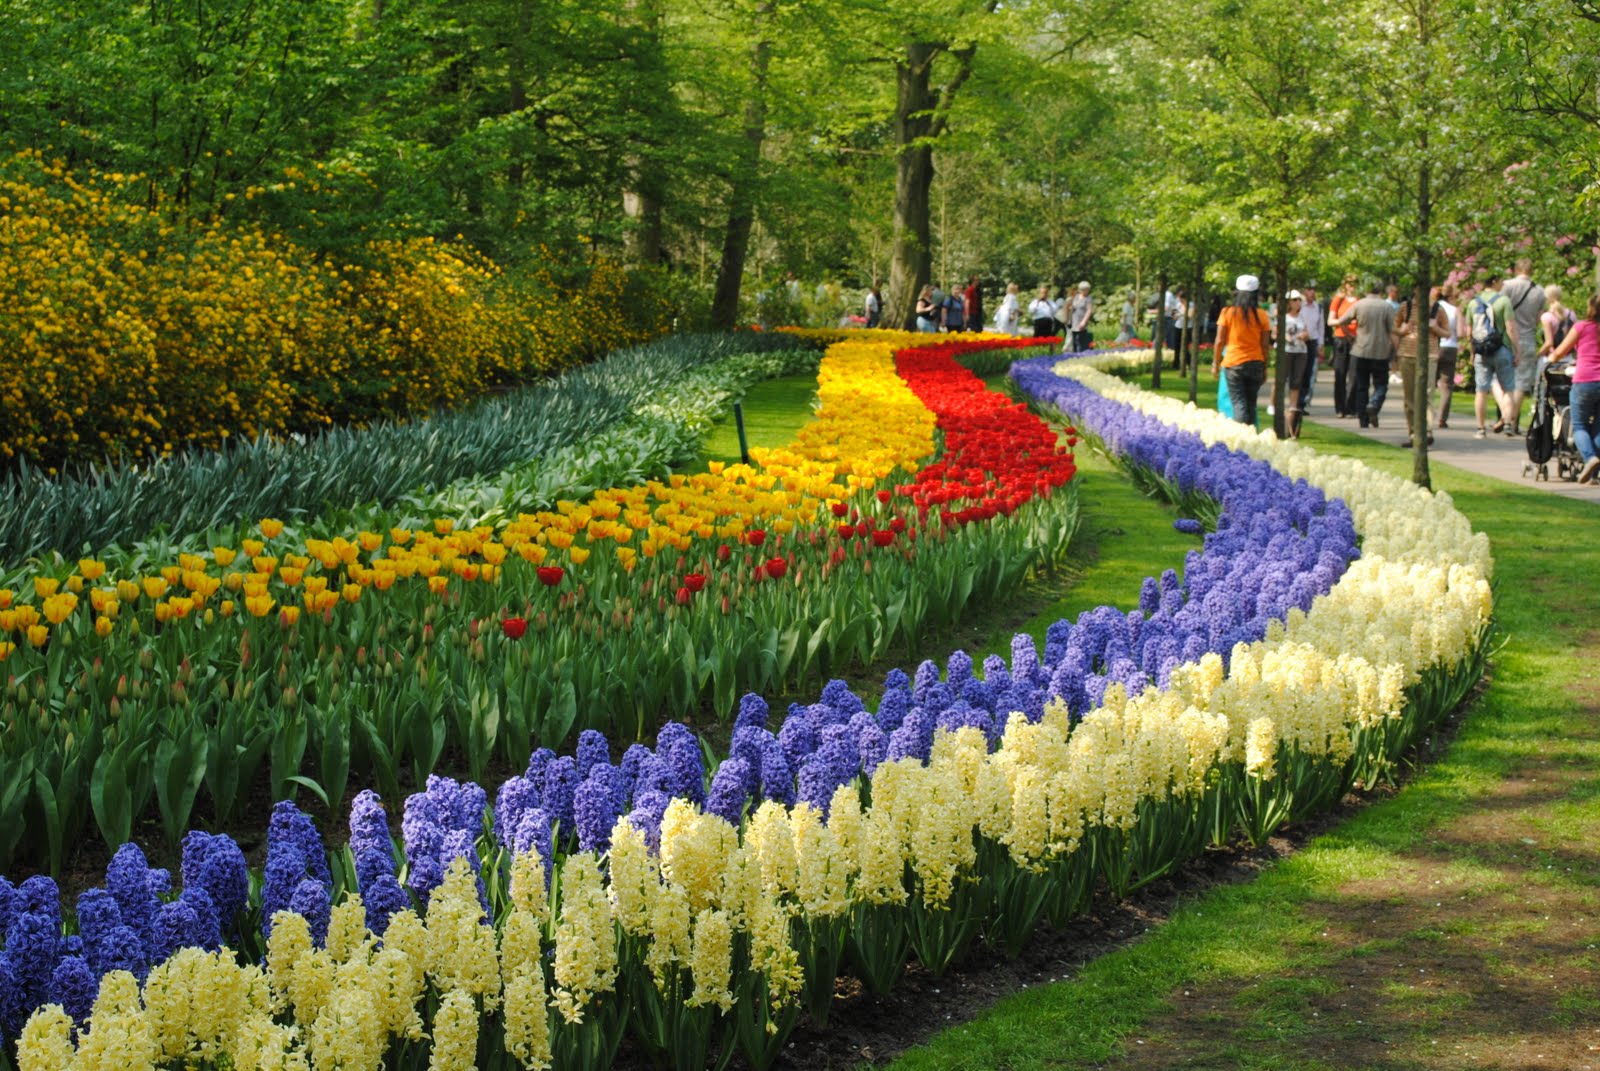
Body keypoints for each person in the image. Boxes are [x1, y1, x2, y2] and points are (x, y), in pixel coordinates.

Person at [1546, 292, 1600, 483]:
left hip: (1585, 380)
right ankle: (1595, 470)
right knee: (1598, 427)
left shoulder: (1582, 327)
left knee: (1579, 425)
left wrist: (1549, 360)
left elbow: (1560, 352)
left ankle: (1590, 458)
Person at [1332, 279, 1398, 428]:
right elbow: (1393, 329)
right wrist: (1395, 348)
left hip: (1360, 349)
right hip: (1380, 352)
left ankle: (1363, 419)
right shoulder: (1386, 307)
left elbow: (1342, 321)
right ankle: (1374, 404)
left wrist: (1349, 335)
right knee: (1381, 384)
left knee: (1361, 385)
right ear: (1380, 291)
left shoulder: (1359, 304)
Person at [1211, 274, 1273, 426]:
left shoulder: (1228, 313)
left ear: (1236, 293)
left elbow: (1219, 341)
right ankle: (1253, 437)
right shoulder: (1262, 315)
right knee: (1251, 404)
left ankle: (1242, 439)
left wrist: (1215, 363)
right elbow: (1265, 345)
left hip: (1234, 363)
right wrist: (1265, 367)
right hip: (1256, 362)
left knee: (1238, 403)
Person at [1468, 273, 1517, 438]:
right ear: (1495, 282)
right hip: (1501, 348)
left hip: (1481, 351)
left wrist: (1472, 352)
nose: (1503, 284)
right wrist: (1517, 350)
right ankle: (1508, 425)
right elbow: (1510, 328)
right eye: (1501, 281)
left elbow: (1470, 332)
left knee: (1481, 390)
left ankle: (1480, 429)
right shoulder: (1504, 301)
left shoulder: (1473, 302)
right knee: (1508, 388)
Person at [1397, 286, 1447, 447]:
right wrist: (1402, 330)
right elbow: (1393, 327)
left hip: (1429, 356)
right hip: (1407, 354)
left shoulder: (1437, 309)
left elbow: (1448, 333)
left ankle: (1426, 431)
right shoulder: (1406, 307)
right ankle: (1413, 433)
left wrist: (1436, 328)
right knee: (1409, 397)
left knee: (1427, 395)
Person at [1502, 258, 1546, 435]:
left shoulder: (1507, 286)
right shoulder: (1540, 291)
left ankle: (1506, 418)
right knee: (1520, 384)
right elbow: (1538, 318)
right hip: (1527, 339)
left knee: (1503, 381)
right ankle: (1511, 422)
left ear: (1516, 269)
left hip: (1506, 339)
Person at [1329, 275, 1360, 417]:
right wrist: (1344, 324)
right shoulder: (1338, 300)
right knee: (1340, 374)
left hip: (1357, 340)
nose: (1351, 286)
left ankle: (1351, 407)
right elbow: (1330, 321)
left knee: (1354, 376)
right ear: (1345, 284)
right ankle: (1340, 408)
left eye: (1354, 283)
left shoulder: (1360, 301)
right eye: (1349, 283)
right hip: (1341, 339)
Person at [1281, 290, 1311, 437]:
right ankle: (1274, 405)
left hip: (1300, 351)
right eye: (1295, 300)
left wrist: (1304, 336)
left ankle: (1293, 406)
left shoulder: (1301, 317)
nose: (1298, 302)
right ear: (1288, 302)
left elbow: (1307, 334)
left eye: (1299, 300)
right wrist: (1284, 336)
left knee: (1296, 381)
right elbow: (1275, 332)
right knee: (1282, 378)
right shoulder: (1283, 317)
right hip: (1287, 350)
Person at [1434, 282, 1463, 430]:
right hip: (1450, 347)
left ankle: (1426, 415)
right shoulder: (1455, 310)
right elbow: (1461, 333)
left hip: (1433, 346)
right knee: (1446, 385)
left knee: (1428, 384)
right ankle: (1442, 418)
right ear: (1452, 295)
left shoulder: (1432, 307)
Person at [1298, 282, 1325, 410]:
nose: (1312, 292)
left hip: (1312, 342)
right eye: (1309, 289)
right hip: (1299, 341)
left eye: (1314, 290)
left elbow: (1321, 327)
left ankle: (1303, 402)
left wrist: (1321, 344)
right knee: (1299, 372)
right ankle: (1296, 401)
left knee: (1309, 373)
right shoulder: (1299, 305)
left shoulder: (1318, 307)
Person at [1538, 283, 1575, 362]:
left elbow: (1549, 343)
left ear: (1547, 299)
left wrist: (1537, 355)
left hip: (1551, 358)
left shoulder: (1547, 316)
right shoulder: (1571, 314)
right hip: (1568, 358)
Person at [1068, 281, 1095, 353]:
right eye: (1085, 289)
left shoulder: (1089, 298)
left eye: (1087, 289)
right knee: (1074, 340)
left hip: (1082, 321)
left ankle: (1082, 354)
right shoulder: (1077, 297)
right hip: (1074, 320)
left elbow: (1089, 311)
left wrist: (1084, 322)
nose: (1086, 291)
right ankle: (1074, 355)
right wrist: (1071, 307)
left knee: (1080, 340)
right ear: (1081, 289)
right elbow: (1073, 306)